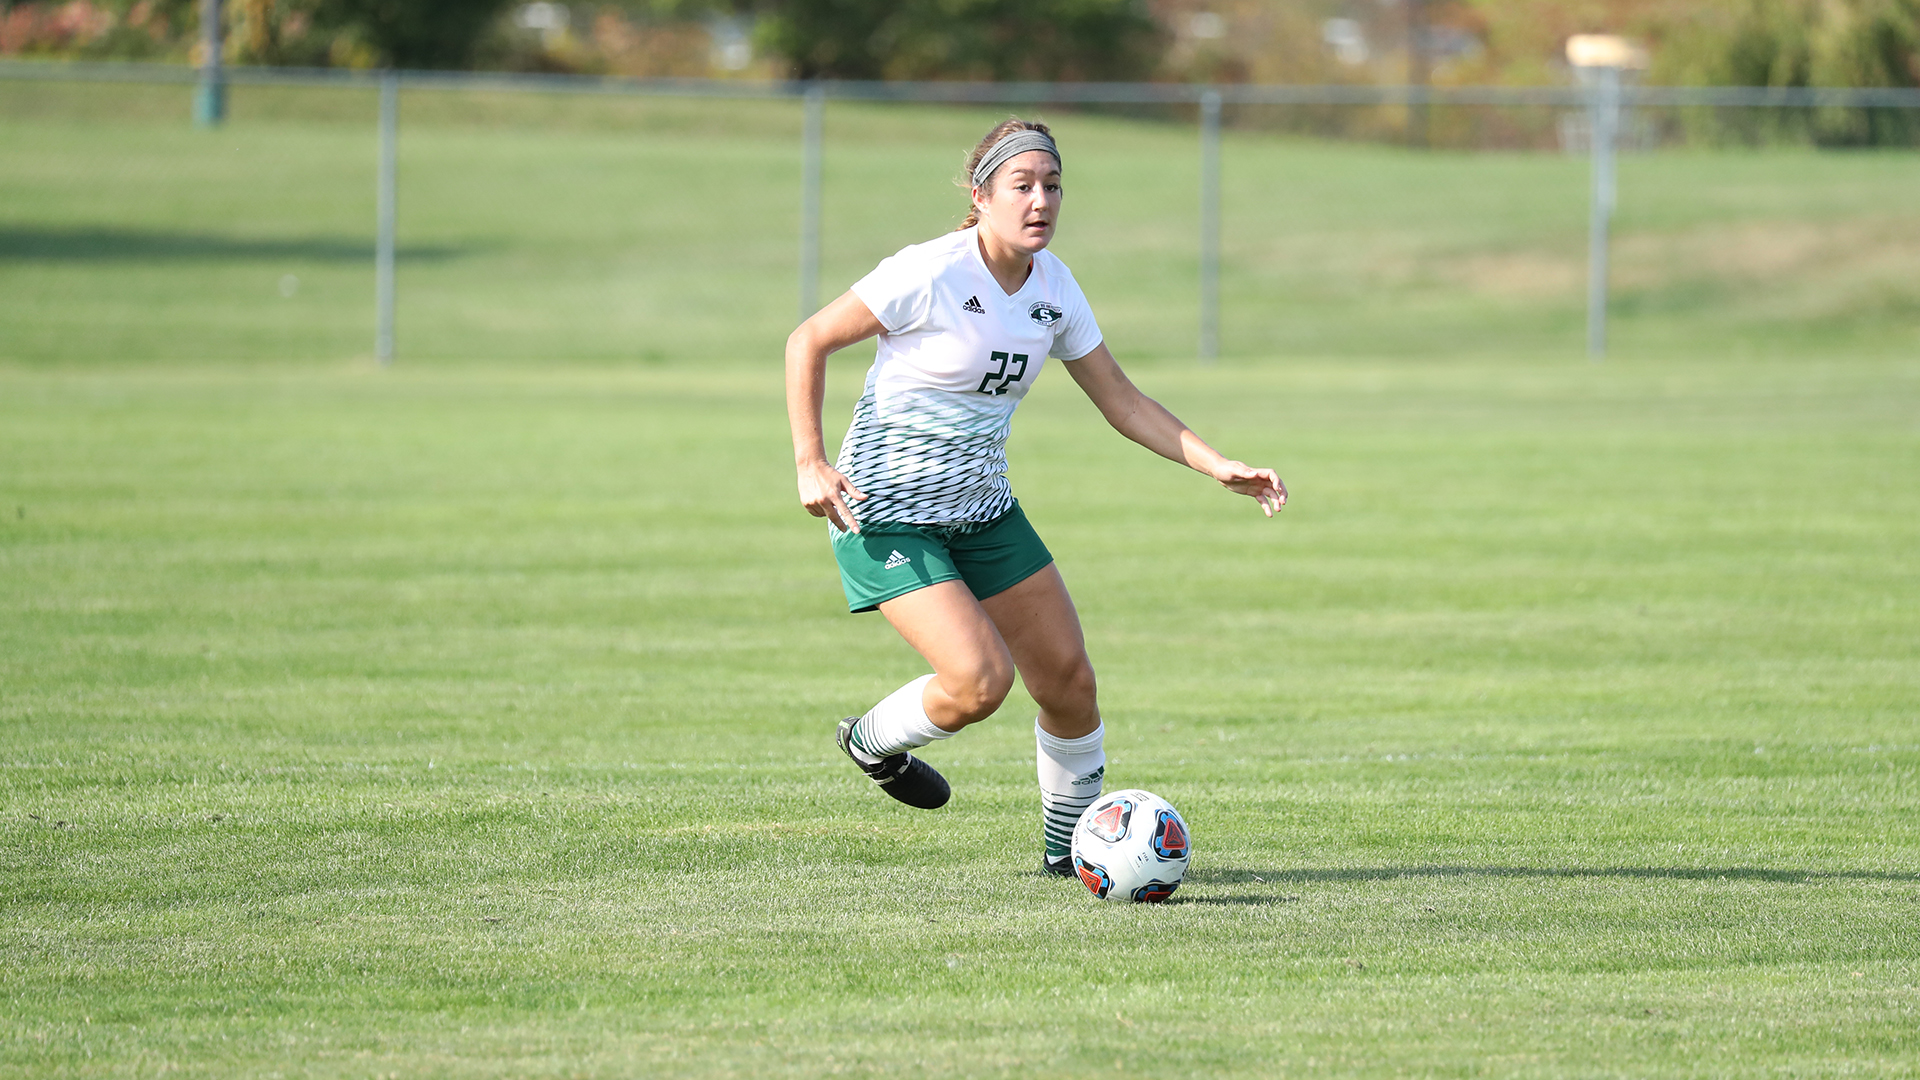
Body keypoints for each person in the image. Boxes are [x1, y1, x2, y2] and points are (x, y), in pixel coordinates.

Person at [784, 117, 1285, 877]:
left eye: (1052, 186)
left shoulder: (1054, 288)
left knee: (1069, 683)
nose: (1040, 200)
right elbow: (808, 339)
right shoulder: (930, 273)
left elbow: (1122, 400)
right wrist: (810, 461)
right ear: (981, 196)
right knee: (980, 683)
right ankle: (871, 742)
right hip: (883, 510)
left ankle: (1072, 853)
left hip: (982, 510)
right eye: (1022, 186)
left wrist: (1216, 464)